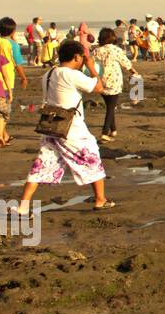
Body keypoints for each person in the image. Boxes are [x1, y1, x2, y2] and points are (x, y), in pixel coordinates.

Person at [17, 38, 113, 214]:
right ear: (77, 57)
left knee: (42, 163)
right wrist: (91, 67)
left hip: (51, 125)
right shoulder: (71, 74)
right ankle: (100, 199)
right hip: (71, 127)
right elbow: (99, 87)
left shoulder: (49, 74)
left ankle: (23, 205)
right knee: (91, 156)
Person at [93, 27, 134, 142]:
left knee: (110, 106)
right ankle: (105, 132)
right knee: (111, 107)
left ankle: (113, 130)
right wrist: (134, 73)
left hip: (100, 80)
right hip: (114, 80)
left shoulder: (97, 50)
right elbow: (126, 64)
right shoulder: (116, 50)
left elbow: (92, 65)